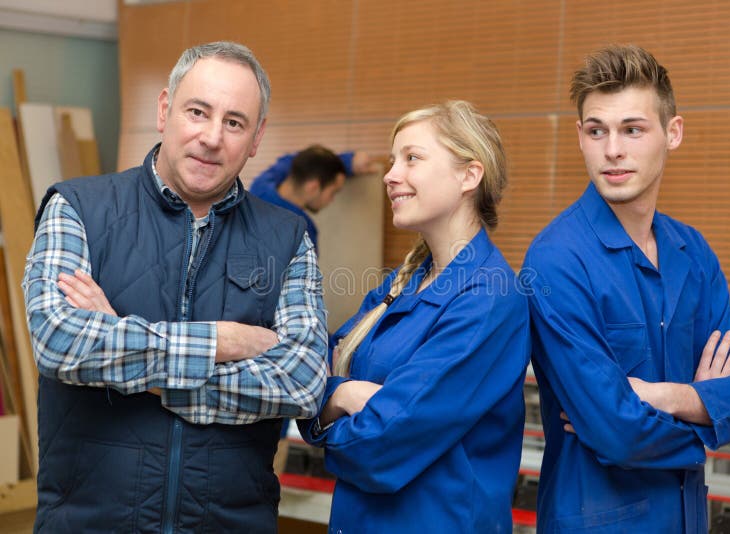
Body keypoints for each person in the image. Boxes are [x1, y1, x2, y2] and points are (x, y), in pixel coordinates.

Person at [23, 41, 328, 533]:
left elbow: (303, 380)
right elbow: (60, 343)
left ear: (256, 138)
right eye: (197, 111)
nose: (211, 137)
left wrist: (122, 346)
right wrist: (223, 342)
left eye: (234, 122)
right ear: (164, 110)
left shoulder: (288, 239)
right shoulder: (78, 207)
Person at [521, 44, 730, 533]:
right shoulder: (557, 260)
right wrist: (709, 419)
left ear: (672, 133)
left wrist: (670, 397)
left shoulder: (692, 252)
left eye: (633, 129)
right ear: (579, 137)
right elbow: (615, 432)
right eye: (597, 131)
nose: (612, 149)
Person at [298, 100, 531, 532]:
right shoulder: (402, 283)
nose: (389, 175)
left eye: (412, 158)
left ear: (469, 175)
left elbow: (383, 442)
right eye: (392, 160)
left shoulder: (489, 299)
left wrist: (332, 406)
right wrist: (346, 395)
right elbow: (311, 372)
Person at [249, 145, 384, 248]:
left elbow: (294, 161)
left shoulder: (259, 188)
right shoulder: (303, 232)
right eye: (333, 192)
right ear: (313, 187)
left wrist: (347, 163)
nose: (331, 200)